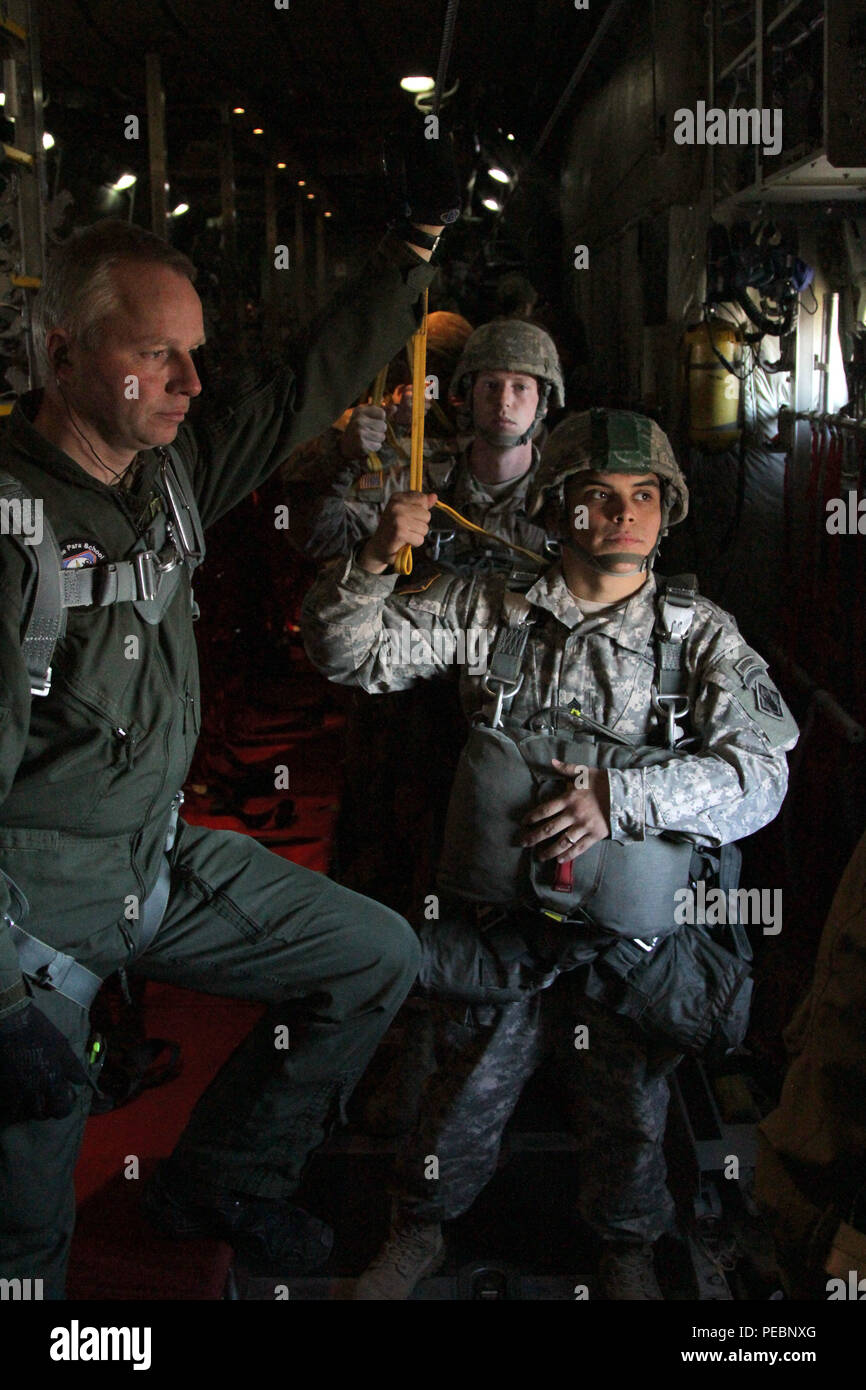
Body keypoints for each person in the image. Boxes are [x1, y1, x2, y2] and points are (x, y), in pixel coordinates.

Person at [0, 188, 450, 1297]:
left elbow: (300, 382)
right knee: (21, 1245)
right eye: (159, 356)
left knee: (370, 955)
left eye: (195, 357)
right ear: (62, 354)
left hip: (148, 862)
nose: (193, 386)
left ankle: (217, 1182)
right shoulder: (13, 538)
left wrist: (412, 242)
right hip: (29, 919)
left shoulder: (163, 478)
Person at [301, 408, 799, 1299]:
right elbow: (350, 654)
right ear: (555, 507)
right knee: (454, 1103)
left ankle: (629, 1254)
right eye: (598, 497)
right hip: (501, 929)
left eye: (644, 495)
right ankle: (415, 1236)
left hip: (626, 952)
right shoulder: (493, 607)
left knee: (633, 1120)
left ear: (668, 508)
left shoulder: (700, 637)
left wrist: (623, 798)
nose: (624, 514)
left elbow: (763, 778)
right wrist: (373, 562)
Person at [283, 317, 563, 576]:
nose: (504, 400)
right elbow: (320, 538)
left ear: (543, 402)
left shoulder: (565, 500)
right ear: (467, 396)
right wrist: (342, 455)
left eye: (521, 387)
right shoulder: (417, 485)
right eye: (491, 385)